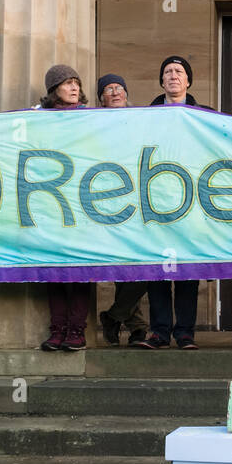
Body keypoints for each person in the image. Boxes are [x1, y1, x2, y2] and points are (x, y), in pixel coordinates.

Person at [138, 56, 211, 349]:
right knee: (156, 268)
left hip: (191, 203)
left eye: (179, 71)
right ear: (161, 81)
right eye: (167, 71)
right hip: (154, 202)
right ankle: (159, 331)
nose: (173, 76)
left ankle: (184, 332)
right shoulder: (145, 116)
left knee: (186, 270)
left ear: (188, 80)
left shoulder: (205, 115)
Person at [34, 65, 93, 352]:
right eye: (67, 83)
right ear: (54, 89)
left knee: (80, 270)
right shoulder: (38, 119)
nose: (73, 88)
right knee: (54, 271)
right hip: (50, 204)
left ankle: (77, 330)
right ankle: (57, 329)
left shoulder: (92, 118)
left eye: (76, 83)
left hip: (83, 203)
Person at [94, 73, 149, 346]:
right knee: (123, 268)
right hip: (106, 202)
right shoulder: (92, 123)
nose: (115, 92)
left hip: (141, 201)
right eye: (108, 89)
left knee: (148, 266)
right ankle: (137, 326)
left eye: (119, 87)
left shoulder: (141, 120)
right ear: (101, 98)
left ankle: (115, 316)